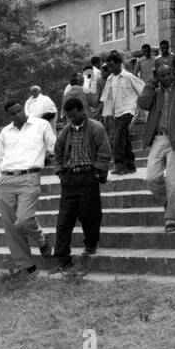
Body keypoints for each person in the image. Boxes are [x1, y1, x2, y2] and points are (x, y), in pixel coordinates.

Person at [50, 98, 111, 273]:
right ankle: (63, 259)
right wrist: (60, 172)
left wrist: (98, 171)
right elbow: (58, 152)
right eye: (68, 116)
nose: (71, 119)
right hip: (70, 179)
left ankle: (91, 243)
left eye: (74, 115)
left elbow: (104, 151)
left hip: (88, 176)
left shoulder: (96, 127)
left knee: (89, 215)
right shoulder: (66, 131)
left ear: (81, 111)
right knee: (64, 220)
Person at [0, 99, 56, 276]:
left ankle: (41, 240)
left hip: (29, 177)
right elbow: (0, 159)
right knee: (11, 227)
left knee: (24, 219)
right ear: (8, 115)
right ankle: (26, 266)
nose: (18, 114)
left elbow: (53, 147)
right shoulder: (5, 132)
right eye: (13, 113)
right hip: (5, 180)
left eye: (19, 110)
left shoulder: (41, 124)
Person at [138, 62, 175, 233]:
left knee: (174, 181)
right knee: (151, 178)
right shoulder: (155, 93)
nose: (167, 78)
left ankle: (172, 219)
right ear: (158, 76)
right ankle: (172, 200)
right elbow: (142, 103)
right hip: (158, 139)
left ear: (173, 73)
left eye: (169, 74)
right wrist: (150, 83)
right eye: (162, 75)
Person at [99, 52, 145, 175]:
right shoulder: (109, 79)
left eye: (112, 66)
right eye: (109, 67)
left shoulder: (129, 76)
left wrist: (139, 105)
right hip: (117, 112)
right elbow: (107, 98)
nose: (111, 69)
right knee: (124, 138)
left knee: (118, 138)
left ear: (119, 64)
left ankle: (120, 166)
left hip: (129, 111)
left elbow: (143, 89)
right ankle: (130, 165)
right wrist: (105, 114)